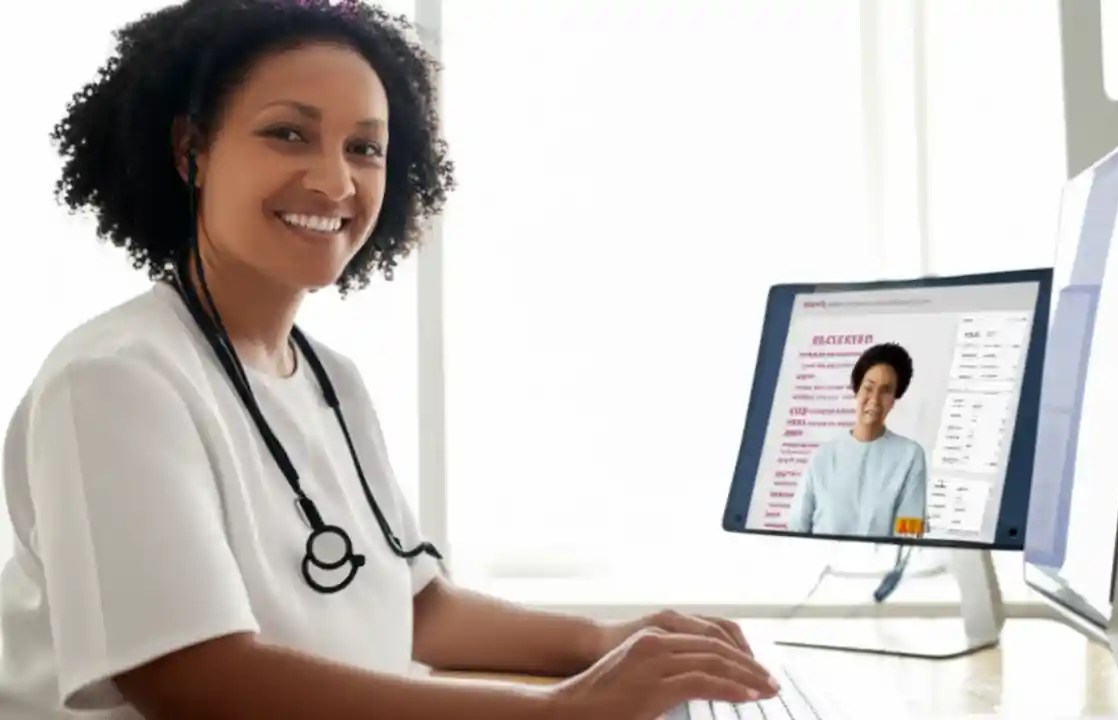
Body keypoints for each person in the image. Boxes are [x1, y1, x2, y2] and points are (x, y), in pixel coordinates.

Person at [0, 2, 778, 718]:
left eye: (364, 148)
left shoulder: (330, 379)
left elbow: (413, 606)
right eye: (288, 133)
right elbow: (195, 679)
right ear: (190, 151)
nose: (336, 180)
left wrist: (605, 641)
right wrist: (556, 712)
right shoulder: (113, 381)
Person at [787, 342, 928, 537]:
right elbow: (796, 528)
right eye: (868, 388)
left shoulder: (910, 456)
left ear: (895, 398)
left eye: (886, 391)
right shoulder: (823, 456)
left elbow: (910, 535)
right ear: (857, 389)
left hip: (881, 567)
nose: (875, 399)